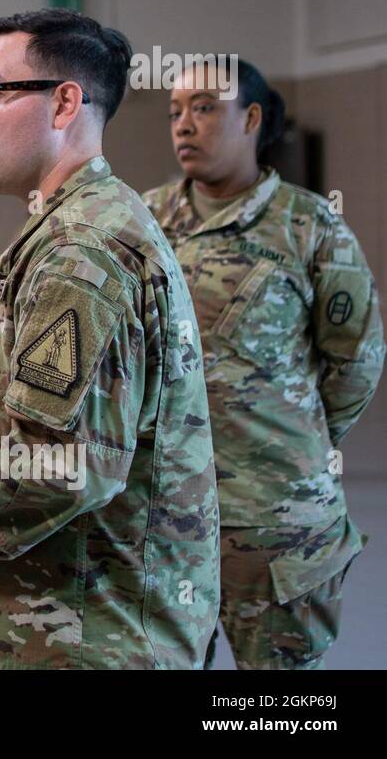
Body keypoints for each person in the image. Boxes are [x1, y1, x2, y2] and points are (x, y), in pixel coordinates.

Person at [0, 9, 220, 669]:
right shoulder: (84, 225)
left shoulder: (80, 251)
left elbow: (63, 470)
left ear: (65, 102)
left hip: (85, 640)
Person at [144, 58, 383, 670]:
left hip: (277, 527)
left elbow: (356, 356)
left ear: (251, 118)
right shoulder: (143, 223)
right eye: (175, 112)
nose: (184, 126)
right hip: (163, 522)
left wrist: (293, 436)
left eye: (204, 107)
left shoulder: (309, 225)